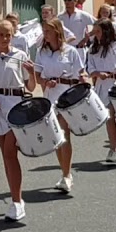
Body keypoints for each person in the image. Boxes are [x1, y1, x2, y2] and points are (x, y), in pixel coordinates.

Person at [0, 20, 37, 221]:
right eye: (1, 35)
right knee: (6, 157)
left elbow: (30, 87)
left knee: (10, 153)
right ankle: (16, 198)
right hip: (0, 107)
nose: (5, 39)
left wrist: (32, 74)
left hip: (17, 105)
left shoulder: (20, 56)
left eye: (9, 35)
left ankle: (16, 201)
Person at [33, 17, 87, 193]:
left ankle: (67, 174)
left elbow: (81, 72)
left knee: (65, 134)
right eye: (44, 31)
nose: (45, 35)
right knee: (56, 137)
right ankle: (64, 173)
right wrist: (45, 82)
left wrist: (84, 80)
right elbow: (38, 76)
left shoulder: (70, 51)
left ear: (57, 32)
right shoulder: (41, 53)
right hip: (50, 97)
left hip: (67, 96)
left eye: (48, 31)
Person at [86, 18, 116, 164]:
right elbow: (90, 69)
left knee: (114, 115)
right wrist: (98, 74)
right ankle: (115, 147)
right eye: (95, 31)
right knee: (109, 116)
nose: (96, 34)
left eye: (99, 31)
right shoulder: (93, 49)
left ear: (106, 31)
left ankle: (114, 146)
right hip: (102, 85)